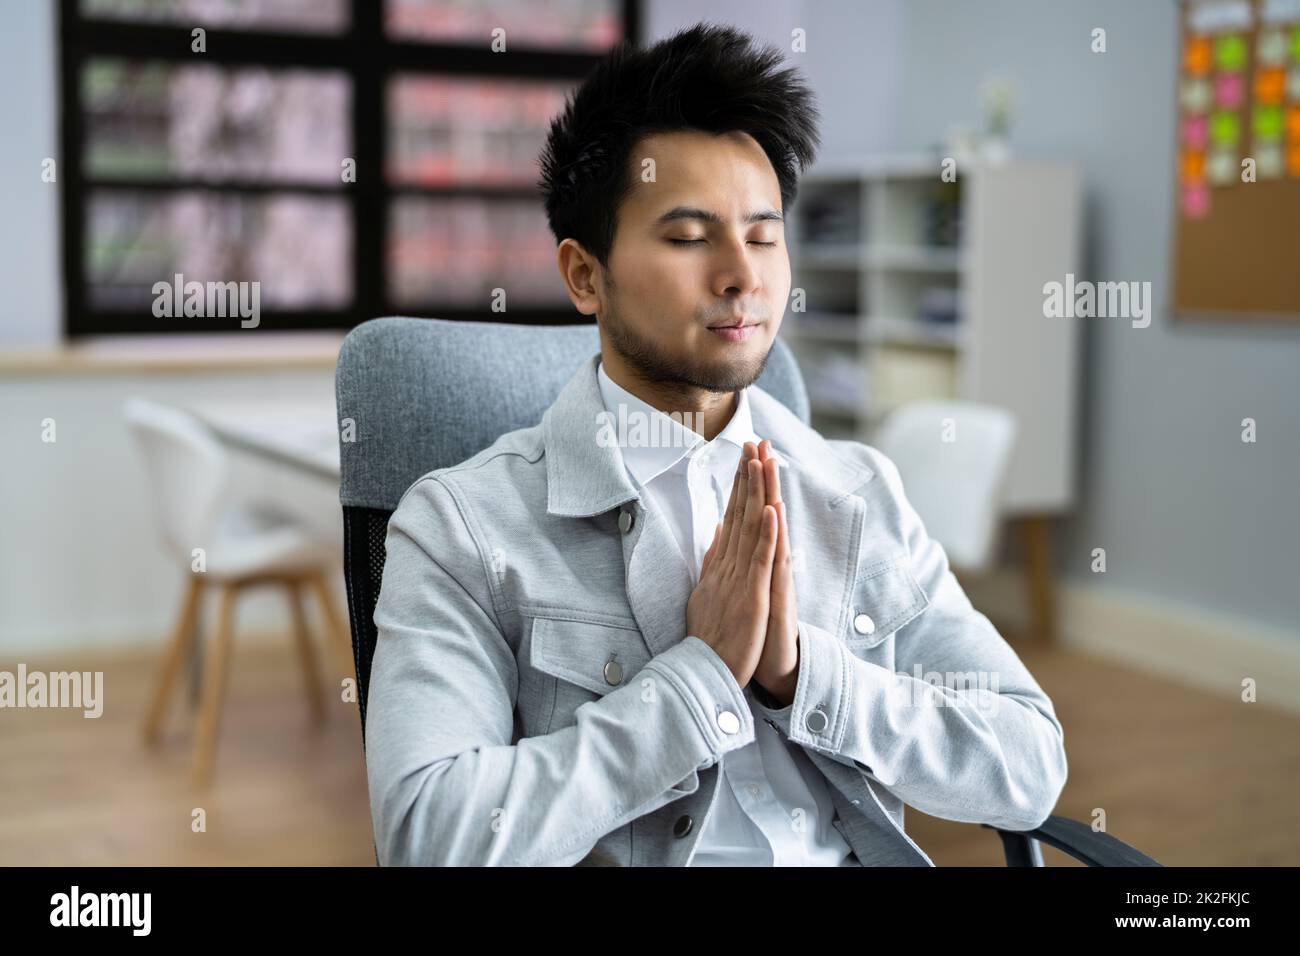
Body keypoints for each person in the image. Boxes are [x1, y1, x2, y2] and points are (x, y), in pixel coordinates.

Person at [364, 22, 1067, 866]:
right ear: (586, 275)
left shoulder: (856, 490)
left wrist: (804, 677)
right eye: (690, 237)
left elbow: (1028, 763)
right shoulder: (462, 527)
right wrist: (698, 682)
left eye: (765, 234)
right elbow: (429, 837)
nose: (743, 274)